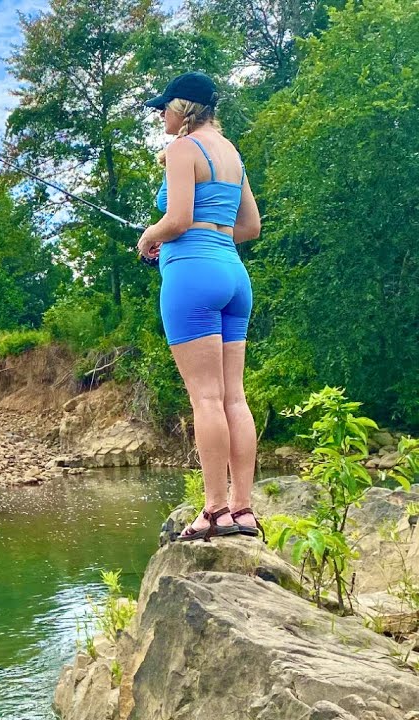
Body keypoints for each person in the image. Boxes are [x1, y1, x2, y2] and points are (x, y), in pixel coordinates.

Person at [136, 71, 264, 543]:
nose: (161, 115)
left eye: (164, 107)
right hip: (233, 275)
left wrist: (150, 236)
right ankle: (242, 509)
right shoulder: (231, 154)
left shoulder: (183, 149)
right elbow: (250, 226)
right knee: (234, 397)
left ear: (184, 108)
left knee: (205, 399)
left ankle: (213, 511)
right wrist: (211, 236)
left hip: (192, 275)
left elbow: (178, 218)